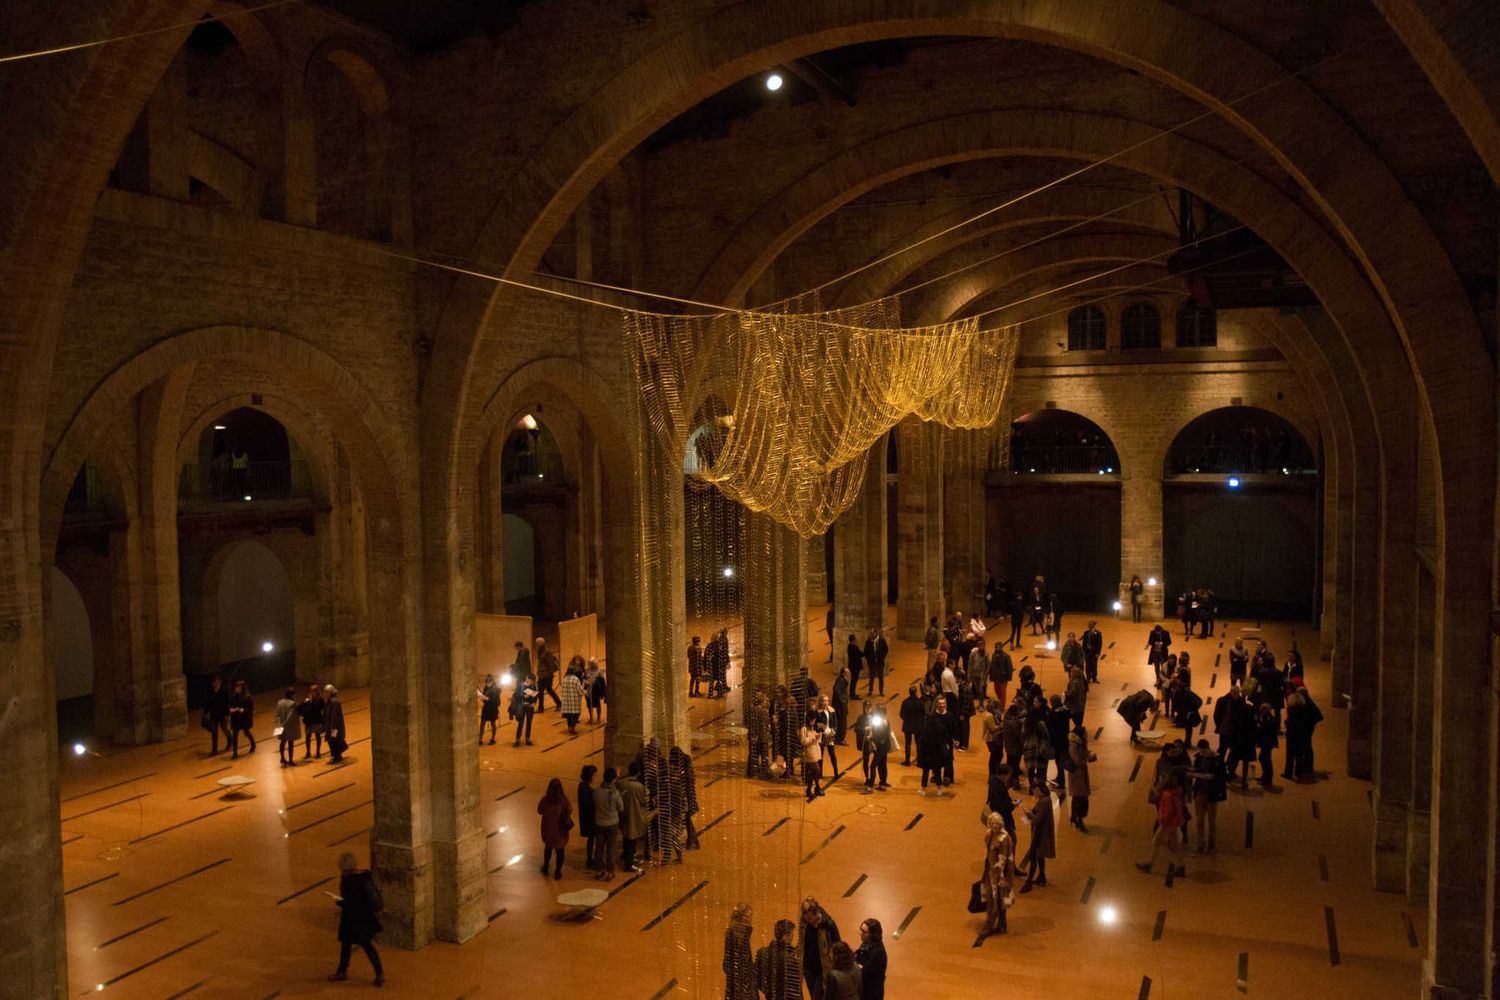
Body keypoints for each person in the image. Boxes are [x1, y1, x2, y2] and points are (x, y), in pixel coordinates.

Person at [327, 852, 384, 987]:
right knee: (367, 946)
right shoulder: (364, 875)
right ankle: (379, 973)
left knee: (347, 944)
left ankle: (342, 972)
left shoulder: (348, 881)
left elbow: (351, 902)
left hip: (352, 919)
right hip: (366, 918)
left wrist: (339, 902)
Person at [1136, 768, 1187, 875]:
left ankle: (1149, 863)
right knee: (1176, 844)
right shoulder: (1175, 791)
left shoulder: (1166, 795)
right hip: (1174, 821)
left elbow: (1168, 812)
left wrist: (1161, 820)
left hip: (1168, 822)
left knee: (1156, 841)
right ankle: (1181, 866)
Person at [981, 813, 1017, 937]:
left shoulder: (1004, 838)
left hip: (1000, 874)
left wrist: (1002, 877)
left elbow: (1005, 859)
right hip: (990, 872)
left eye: (997, 823)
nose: (995, 825)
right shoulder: (989, 834)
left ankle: (989, 925)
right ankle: (1002, 923)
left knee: (995, 900)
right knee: (994, 899)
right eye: (993, 823)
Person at [1189, 739, 1227, 852]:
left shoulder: (1218, 760)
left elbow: (1215, 776)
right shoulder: (1199, 757)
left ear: (1208, 748)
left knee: (1211, 821)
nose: (1202, 754)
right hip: (1200, 792)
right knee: (1199, 820)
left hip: (1212, 794)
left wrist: (1197, 774)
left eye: (1203, 751)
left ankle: (1211, 843)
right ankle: (1200, 844)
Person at [800, 897, 840, 1000]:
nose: (807, 921)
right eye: (805, 918)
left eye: (809, 918)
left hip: (822, 968)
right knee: (814, 996)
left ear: (816, 913)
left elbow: (838, 946)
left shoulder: (828, 925)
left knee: (818, 997)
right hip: (808, 968)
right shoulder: (804, 922)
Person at [1018, 783, 1055, 891]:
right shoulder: (1044, 799)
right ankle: (1041, 877)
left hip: (1040, 834)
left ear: (1039, 789)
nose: (1033, 792)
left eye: (1034, 790)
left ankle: (1030, 880)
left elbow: (1037, 820)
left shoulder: (1044, 801)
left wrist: (1029, 814)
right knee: (1039, 855)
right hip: (1041, 833)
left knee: (1034, 855)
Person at [755, 919, 802, 1000]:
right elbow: (796, 991)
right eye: (791, 935)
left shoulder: (762, 953)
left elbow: (757, 980)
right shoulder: (790, 959)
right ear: (785, 937)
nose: (792, 938)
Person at [537, 777, 572, 880]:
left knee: (548, 848)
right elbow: (570, 810)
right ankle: (557, 872)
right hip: (560, 831)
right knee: (560, 851)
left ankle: (546, 867)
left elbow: (539, 811)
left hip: (548, 830)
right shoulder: (563, 800)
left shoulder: (545, 799)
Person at [918, 696, 954, 794]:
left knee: (925, 773)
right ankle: (939, 790)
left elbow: (922, 742)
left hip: (927, 754)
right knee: (938, 772)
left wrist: (920, 754)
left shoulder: (925, 729)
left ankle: (923, 790)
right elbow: (945, 738)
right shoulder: (940, 727)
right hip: (937, 754)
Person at [618, 761, 649, 873]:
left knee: (626, 837)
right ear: (638, 773)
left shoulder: (621, 782)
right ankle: (629, 864)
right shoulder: (638, 786)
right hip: (634, 815)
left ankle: (627, 856)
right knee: (631, 839)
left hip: (623, 814)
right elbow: (643, 801)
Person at [592, 767, 622, 880]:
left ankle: (599, 870)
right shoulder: (615, 794)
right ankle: (610, 872)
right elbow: (621, 807)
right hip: (612, 824)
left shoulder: (596, 792)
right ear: (613, 779)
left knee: (599, 848)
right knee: (610, 849)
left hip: (599, 823)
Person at [1067, 723, 1096, 832]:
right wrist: (1088, 759)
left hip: (1081, 774)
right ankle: (1078, 819)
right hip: (1076, 775)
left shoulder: (1080, 743)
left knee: (1079, 797)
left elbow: (1083, 754)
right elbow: (1076, 759)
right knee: (1080, 798)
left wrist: (1089, 754)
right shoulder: (1074, 745)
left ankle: (1075, 817)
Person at [724, 903, 756, 1000]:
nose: (751, 919)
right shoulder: (738, 936)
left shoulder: (738, 933)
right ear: (743, 918)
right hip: (742, 986)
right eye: (750, 916)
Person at [854, 918, 887, 1000]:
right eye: (861, 930)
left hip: (871, 995)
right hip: (864, 991)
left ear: (873, 934)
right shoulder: (865, 945)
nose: (861, 934)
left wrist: (857, 966)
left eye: (864, 932)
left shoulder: (878, 953)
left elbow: (864, 973)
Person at [862, 705, 892, 792]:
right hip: (885, 746)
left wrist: (871, 738)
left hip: (880, 747)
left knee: (873, 766)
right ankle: (883, 783)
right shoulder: (886, 721)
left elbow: (879, 736)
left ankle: (871, 785)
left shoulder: (880, 722)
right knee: (882, 765)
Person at [747, 690, 772, 778]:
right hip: (762, 737)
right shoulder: (764, 711)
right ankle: (765, 773)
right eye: (765, 701)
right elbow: (765, 725)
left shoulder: (752, 710)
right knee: (764, 755)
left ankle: (751, 772)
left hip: (753, 736)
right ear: (762, 702)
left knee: (753, 754)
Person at [577, 764, 598, 872]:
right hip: (589, 818)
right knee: (591, 838)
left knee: (591, 839)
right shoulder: (584, 788)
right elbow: (588, 803)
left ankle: (590, 858)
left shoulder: (584, 786)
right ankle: (590, 859)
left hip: (589, 817)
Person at [228, 679, 256, 759]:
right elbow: (230, 705)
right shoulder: (234, 696)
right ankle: (235, 753)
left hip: (244, 718)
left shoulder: (247, 697)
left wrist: (243, 710)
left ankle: (253, 744)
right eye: (236, 687)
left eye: (238, 687)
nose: (236, 689)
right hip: (236, 718)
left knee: (246, 732)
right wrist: (231, 709)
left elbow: (250, 708)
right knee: (235, 735)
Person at [204, 675, 231, 755]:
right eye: (215, 682)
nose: (216, 684)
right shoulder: (211, 692)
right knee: (214, 732)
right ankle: (214, 749)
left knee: (224, 729)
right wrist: (205, 712)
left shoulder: (224, 692)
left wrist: (227, 714)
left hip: (222, 714)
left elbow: (226, 704)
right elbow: (208, 703)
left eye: (218, 682)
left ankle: (230, 740)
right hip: (214, 714)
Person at [274, 687, 301, 768]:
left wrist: (279, 724)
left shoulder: (279, 702)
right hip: (289, 727)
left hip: (280, 725)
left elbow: (277, 714)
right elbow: (290, 716)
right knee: (290, 743)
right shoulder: (292, 703)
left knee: (282, 742)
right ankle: (290, 759)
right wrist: (285, 725)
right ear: (292, 695)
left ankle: (282, 758)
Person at [813, 696, 839, 777]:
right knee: (821, 755)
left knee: (832, 754)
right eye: (823, 701)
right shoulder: (818, 712)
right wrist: (819, 726)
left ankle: (836, 771)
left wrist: (833, 732)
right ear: (820, 702)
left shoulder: (831, 711)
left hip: (830, 734)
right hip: (821, 735)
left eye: (827, 701)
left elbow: (835, 723)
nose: (825, 703)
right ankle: (820, 773)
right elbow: (814, 724)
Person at [1255, 701, 1280, 789]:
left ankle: (1267, 779)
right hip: (1267, 743)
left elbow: (1264, 731)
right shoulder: (1268, 719)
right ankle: (1264, 777)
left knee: (1265, 760)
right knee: (1263, 759)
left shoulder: (1269, 720)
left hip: (1267, 743)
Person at [898, 685, 924, 766]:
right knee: (918, 743)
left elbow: (901, 714)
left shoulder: (905, 702)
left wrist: (907, 719)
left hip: (908, 725)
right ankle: (919, 761)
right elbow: (923, 714)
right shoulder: (920, 702)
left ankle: (907, 760)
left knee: (907, 744)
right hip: (918, 725)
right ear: (916, 692)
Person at [534, 638, 561, 712]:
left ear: (540, 644)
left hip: (546, 675)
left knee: (541, 691)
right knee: (548, 690)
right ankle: (558, 703)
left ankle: (541, 708)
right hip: (542, 675)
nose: (535, 645)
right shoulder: (540, 651)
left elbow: (550, 664)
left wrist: (549, 674)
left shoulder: (547, 652)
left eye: (537, 643)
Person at [299, 683, 325, 759]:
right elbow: (302, 708)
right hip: (309, 720)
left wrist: (323, 720)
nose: (312, 692)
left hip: (316, 720)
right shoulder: (308, 699)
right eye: (311, 691)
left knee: (317, 736)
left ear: (317, 691)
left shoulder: (320, 700)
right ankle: (308, 752)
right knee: (307, 736)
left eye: (314, 691)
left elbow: (322, 709)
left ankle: (318, 752)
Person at [511, 673, 537, 746]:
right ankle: (517, 739)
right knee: (521, 723)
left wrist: (534, 702)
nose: (531, 683)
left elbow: (535, 695)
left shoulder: (533, 686)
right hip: (521, 706)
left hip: (530, 707)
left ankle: (528, 739)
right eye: (530, 681)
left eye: (532, 682)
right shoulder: (520, 686)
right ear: (526, 678)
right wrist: (523, 696)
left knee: (529, 723)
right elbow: (515, 696)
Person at [801, 721, 825, 801]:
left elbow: (817, 742)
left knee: (813, 772)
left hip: (815, 752)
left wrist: (819, 737)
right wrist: (813, 738)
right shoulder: (804, 729)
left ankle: (811, 789)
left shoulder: (813, 728)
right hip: (809, 753)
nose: (813, 722)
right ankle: (815, 788)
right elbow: (803, 741)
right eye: (812, 720)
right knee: (817, 769)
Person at [324, 685, 348, 762]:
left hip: (334, 727)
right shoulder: (329, 701)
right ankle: (335, 756)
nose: (324, 694)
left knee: (334, 741)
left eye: (326, 692)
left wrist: (333, 729)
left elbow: (334, 716)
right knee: (332, 741)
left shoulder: (335, 702)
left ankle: (336, 756)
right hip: (330, 726)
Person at [478, 673, 501, 744]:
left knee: (493, 724)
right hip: (486, 709)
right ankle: (480, 739)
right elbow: (484, 695)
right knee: (482, 723)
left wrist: (487, 699)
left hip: (492, 709)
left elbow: (498, 702)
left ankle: (493, 739)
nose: (488, 684)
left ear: (492, 682)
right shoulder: (486, 687)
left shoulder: (496, 690)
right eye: (487, 682)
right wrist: (482, 698)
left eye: (489, 682)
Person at [560, 668, 585, 733]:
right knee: (576, 714)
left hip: (566, 701)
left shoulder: (564, 679)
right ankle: (572, 727)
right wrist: (586, 692)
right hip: (574, 700)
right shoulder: (575, 679)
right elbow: (580, 690)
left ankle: (569, 727)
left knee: (569, 715)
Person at [832, 668, 851, 745]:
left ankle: (840, 738)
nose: (849, 673)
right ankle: (840, 739)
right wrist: (842, 700)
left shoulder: (844, 680)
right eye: (848, 672)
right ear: (843, 673)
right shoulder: (841, 680)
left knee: (841, 721)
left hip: (842, 705)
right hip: (840, 706)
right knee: (842, 722)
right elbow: (836, 690)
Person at [586, 658, 607, 724]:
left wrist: (596, 681)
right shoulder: (587, 670)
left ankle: (598, 718)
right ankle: (591, 718)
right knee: (589, 705)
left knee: (597, 705)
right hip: (588, 690)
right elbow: (584, 678)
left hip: (596, 691)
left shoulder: (599, 671)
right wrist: (587, 682)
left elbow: (602, 681)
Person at [869, 627, 889, 696]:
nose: (871, 634)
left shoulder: (882, 640)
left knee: (881, 678)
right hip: (872, 663)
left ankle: (881, 691)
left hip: (880, 662)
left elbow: (886, 649)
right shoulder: (869, 641)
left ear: (875, 633)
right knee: (871, 677)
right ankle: (870, 690)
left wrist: (882, 656)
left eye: (872, 633)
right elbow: (867, 650)